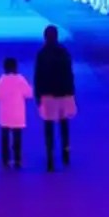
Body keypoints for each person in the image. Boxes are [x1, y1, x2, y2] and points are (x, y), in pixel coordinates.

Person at [34, 25, 76, 172]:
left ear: (45, 36)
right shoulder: (64, 52)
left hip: (48, 95)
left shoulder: (42, 54)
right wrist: (72, 93)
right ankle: (66, 151)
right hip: (63, 93)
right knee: (64, 125)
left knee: (49, 127)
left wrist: (38, 95)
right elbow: (69, 74)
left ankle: (50, 157)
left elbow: (38, 76)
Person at [0, 56, 33, 168]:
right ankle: (17, 159)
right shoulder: (21, 79)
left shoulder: (2, 79)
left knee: (4, 137)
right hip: (18, 115)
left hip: (5, 115)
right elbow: (29, 93)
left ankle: (5, 159)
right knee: (17, 137)